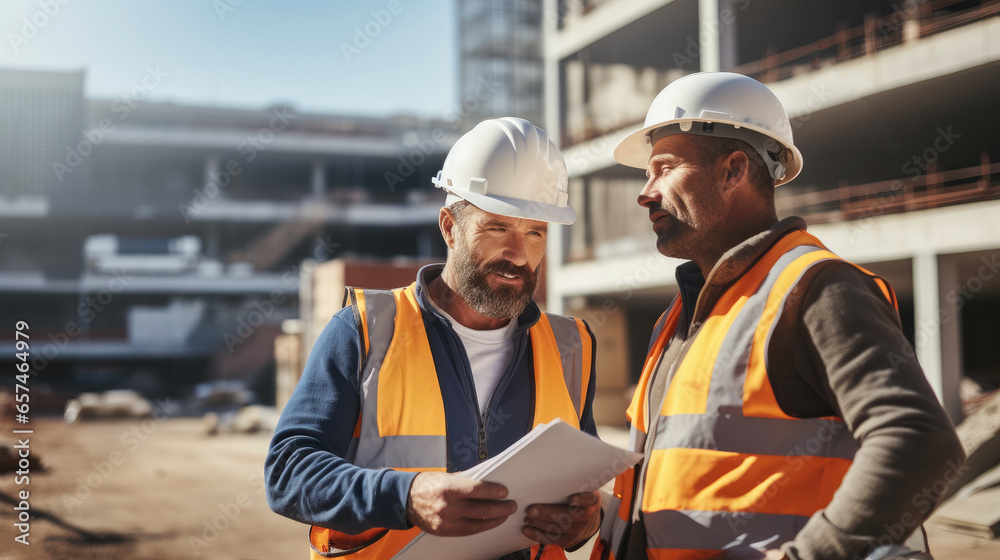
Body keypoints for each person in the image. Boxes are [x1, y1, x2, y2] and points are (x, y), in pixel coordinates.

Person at [590, 73, 965, 560]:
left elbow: (921, 443)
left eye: (664, 168)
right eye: (648, 174)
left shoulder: (816, 288)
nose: (646, 192)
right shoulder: (678, 317)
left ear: (733, 171)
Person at [266, 117, 602, 560]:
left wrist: (584, 522)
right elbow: (289, 473)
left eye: (535, 232)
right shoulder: (365, 331)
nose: (518, 255)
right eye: (497, 227)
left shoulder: (570, 346)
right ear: (449, 227)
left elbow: (581, 491)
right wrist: (405, 496)